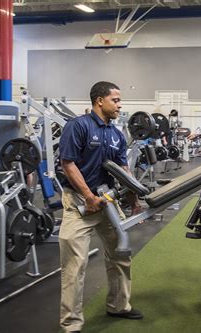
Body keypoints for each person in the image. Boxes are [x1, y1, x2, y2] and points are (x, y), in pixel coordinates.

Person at [58, 81, 143, 333]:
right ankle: (71, 324)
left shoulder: (116, 133)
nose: (119, 104)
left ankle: (119, 305)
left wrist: (134, 198)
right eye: (115, 100)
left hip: (107, 202)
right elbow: (68, 163)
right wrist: (88, 196)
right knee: (75, 265)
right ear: (100, 101)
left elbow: (123, 169)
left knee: (121, 254)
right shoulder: (78, 126)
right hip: (79, 203)